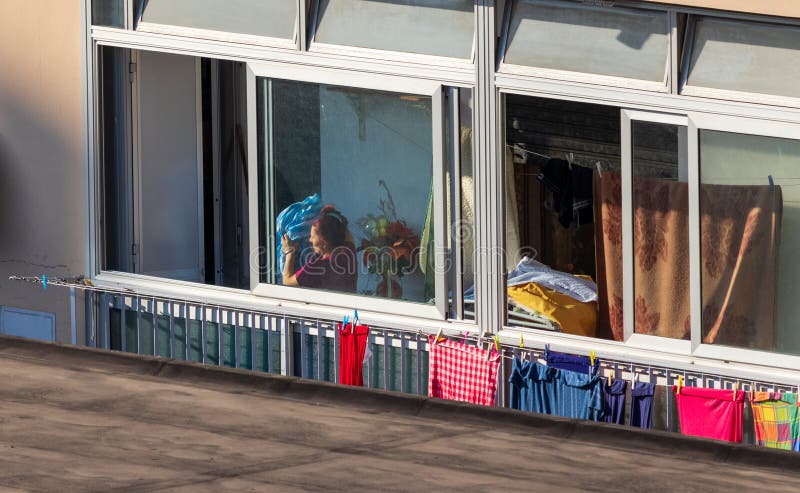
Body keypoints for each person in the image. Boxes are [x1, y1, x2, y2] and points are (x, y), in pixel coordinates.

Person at [281, 205, 357, 293]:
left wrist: (289, 251)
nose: (310, 240)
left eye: (312, 237)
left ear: (323, 239)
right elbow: (345, 233)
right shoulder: (347, 253)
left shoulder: (318, 267)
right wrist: (332, 216)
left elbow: (287, 282)